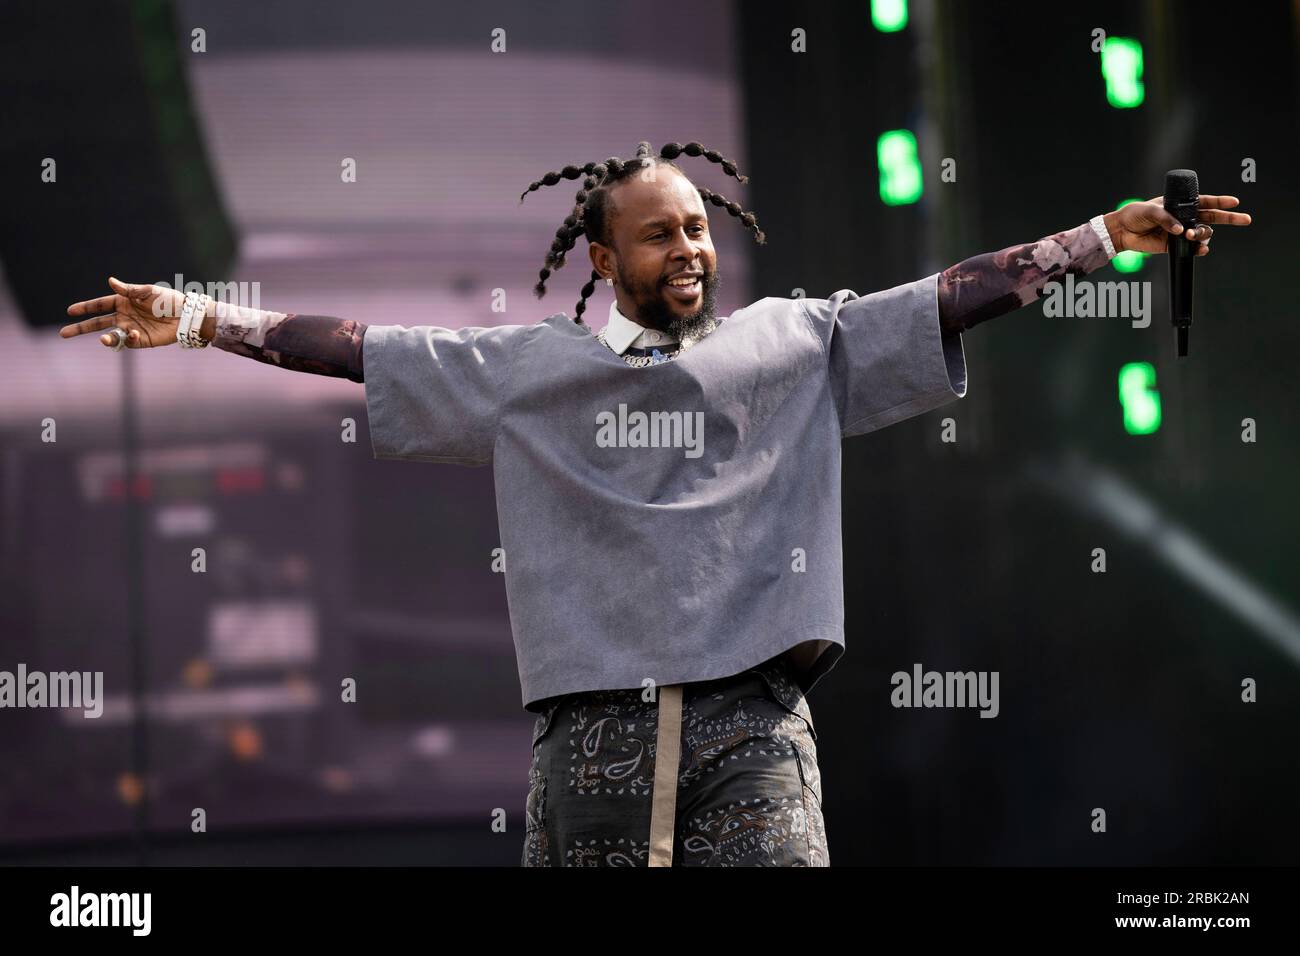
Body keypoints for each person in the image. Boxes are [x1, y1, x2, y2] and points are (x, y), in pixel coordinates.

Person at [61, 140, 1251, 866]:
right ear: (601, 259)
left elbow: (948, 296)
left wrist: (1102, 238)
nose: (688, 247)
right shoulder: (529, 371)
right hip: (592, 741)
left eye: (697, 226)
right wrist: (201, 315)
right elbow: (362, 348)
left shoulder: (791, 340)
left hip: (754, 730)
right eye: (658, 234)